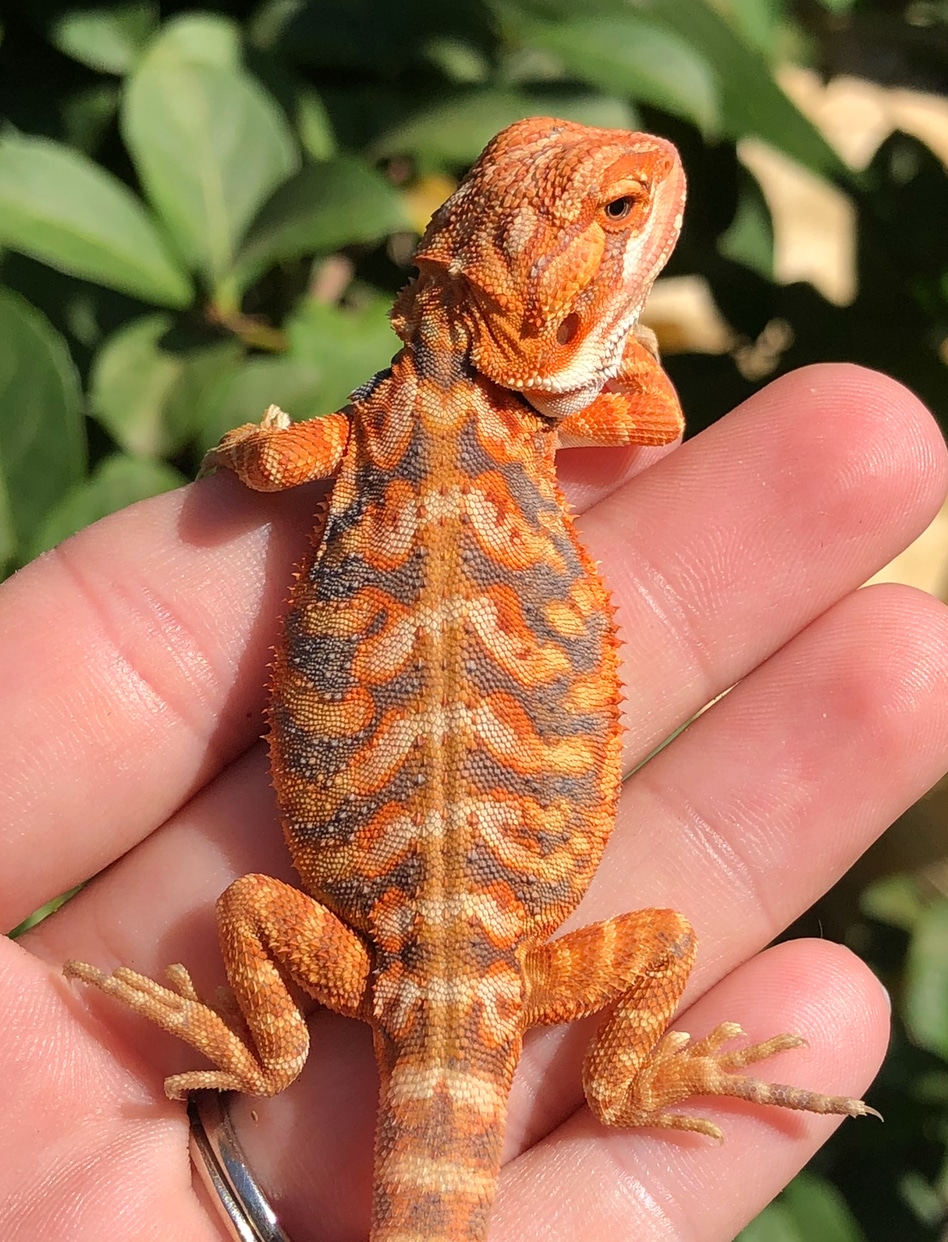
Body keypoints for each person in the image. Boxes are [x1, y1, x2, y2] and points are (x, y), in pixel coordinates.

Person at [2, 364, 945, 1241]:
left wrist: (253, 447)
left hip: (395, 962)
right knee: (660, 943)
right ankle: (619, 1084)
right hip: (492, 967)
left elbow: (271, 462)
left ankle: (273, 1057)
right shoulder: (510, 420)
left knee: (257, 906)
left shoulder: (385, 426)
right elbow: (651, 412)